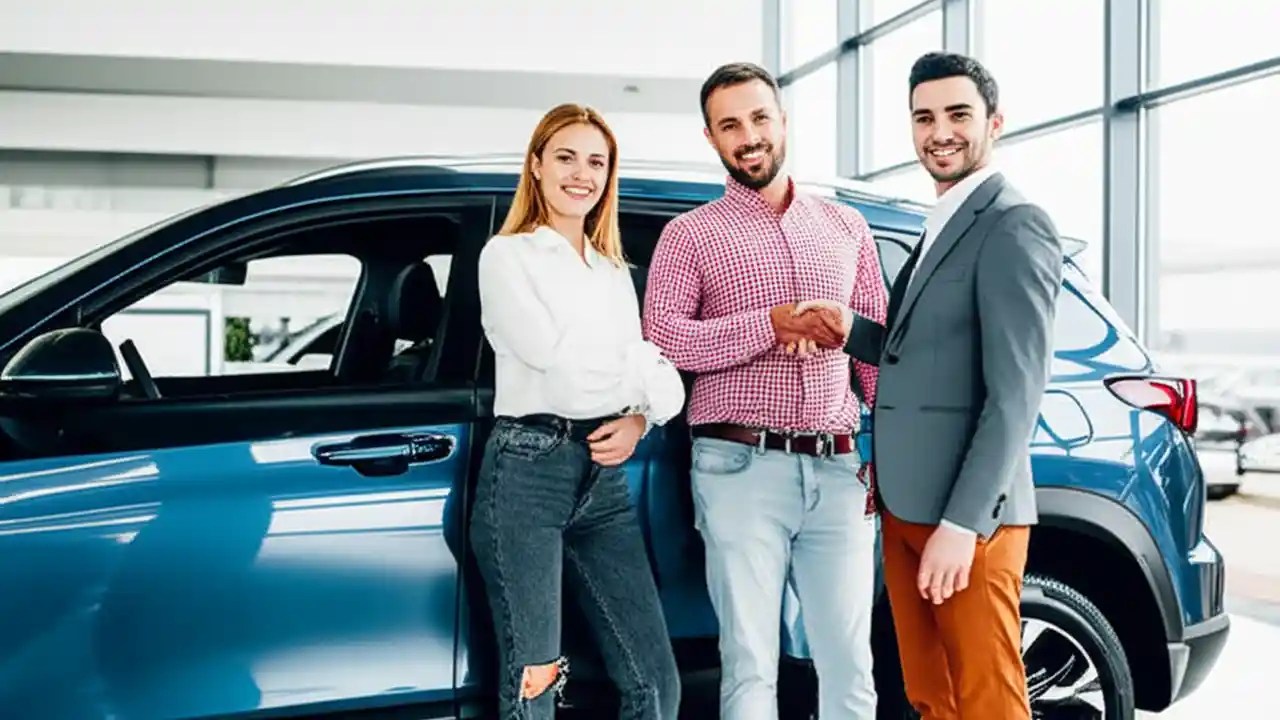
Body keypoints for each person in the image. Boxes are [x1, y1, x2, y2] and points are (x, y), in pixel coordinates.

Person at [643, 62, 887, 720]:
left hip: (839, 470)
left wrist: (882, 451)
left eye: (758, 118)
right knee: (751, 667)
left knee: (851, 668)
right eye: (730, 125)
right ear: (711, 138)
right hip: (738, 469)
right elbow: (664, 341)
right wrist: (770, 326)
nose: (747, 136)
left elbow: (879, 353)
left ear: (782, 122)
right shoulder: (688, 236)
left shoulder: (846, 229)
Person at [471, 102, 684, 719]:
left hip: (606, 480)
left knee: (655, 682)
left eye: (596, 161)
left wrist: (642, 417)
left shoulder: (613, 271)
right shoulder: (507, 257)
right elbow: (561, 376)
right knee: (534, 682)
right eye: (565, 157)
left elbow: (665, 388)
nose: (581, 174)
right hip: (526, 474)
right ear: (536, 165)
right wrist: (635, 377)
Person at [868, 51, 1064, 720]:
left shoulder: (1014, 224)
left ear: (994, 123)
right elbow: (919, 354)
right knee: (934, 698)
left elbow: (1016, 396)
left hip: (966, 521)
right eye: (924, 117)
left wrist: (961, 524)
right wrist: (847, 330)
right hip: (905, 508)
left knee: (988, 702)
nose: (939, 132)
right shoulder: (943, 219)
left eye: (958, 114)